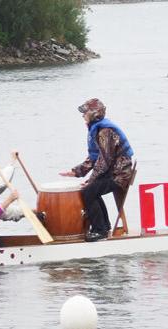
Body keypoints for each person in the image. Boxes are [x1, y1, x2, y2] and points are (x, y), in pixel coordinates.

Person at [59, 98, 134, 242]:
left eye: (85, 113)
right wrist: (76, 172)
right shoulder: (98, 129)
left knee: (88, 191)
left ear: (94, 114)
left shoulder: (105, 131)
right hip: (112, 173)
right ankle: (104, 227)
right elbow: (94, 158)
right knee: (91, 190)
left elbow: (104, 161)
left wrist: (90, 180)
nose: (83, 116)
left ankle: (100, 230)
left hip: (119, 175)